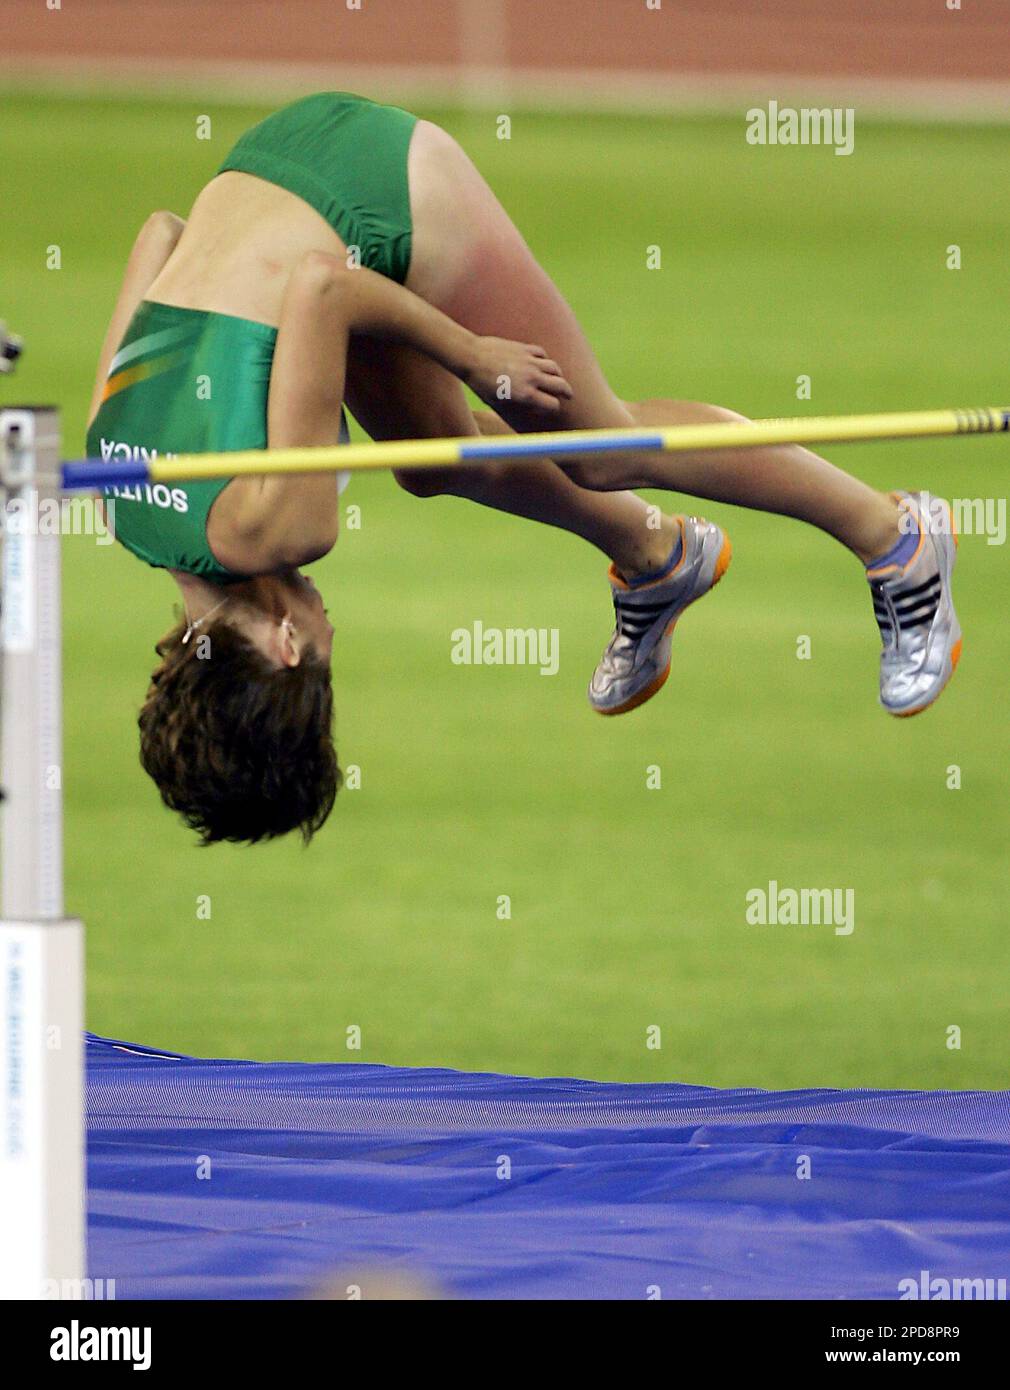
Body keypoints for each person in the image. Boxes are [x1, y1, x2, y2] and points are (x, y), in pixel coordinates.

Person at [87, 92, 960, 845]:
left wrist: (470, 353)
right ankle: (656, 556)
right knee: (429, 453)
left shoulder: (283, 525)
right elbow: (163, 232)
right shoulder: (121, 503)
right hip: (274, 157)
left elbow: (324, 287)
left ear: (283, 649)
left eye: (321, 666)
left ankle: (894, 536)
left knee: (601, 445)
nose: (327, 641)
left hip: (375, 186)